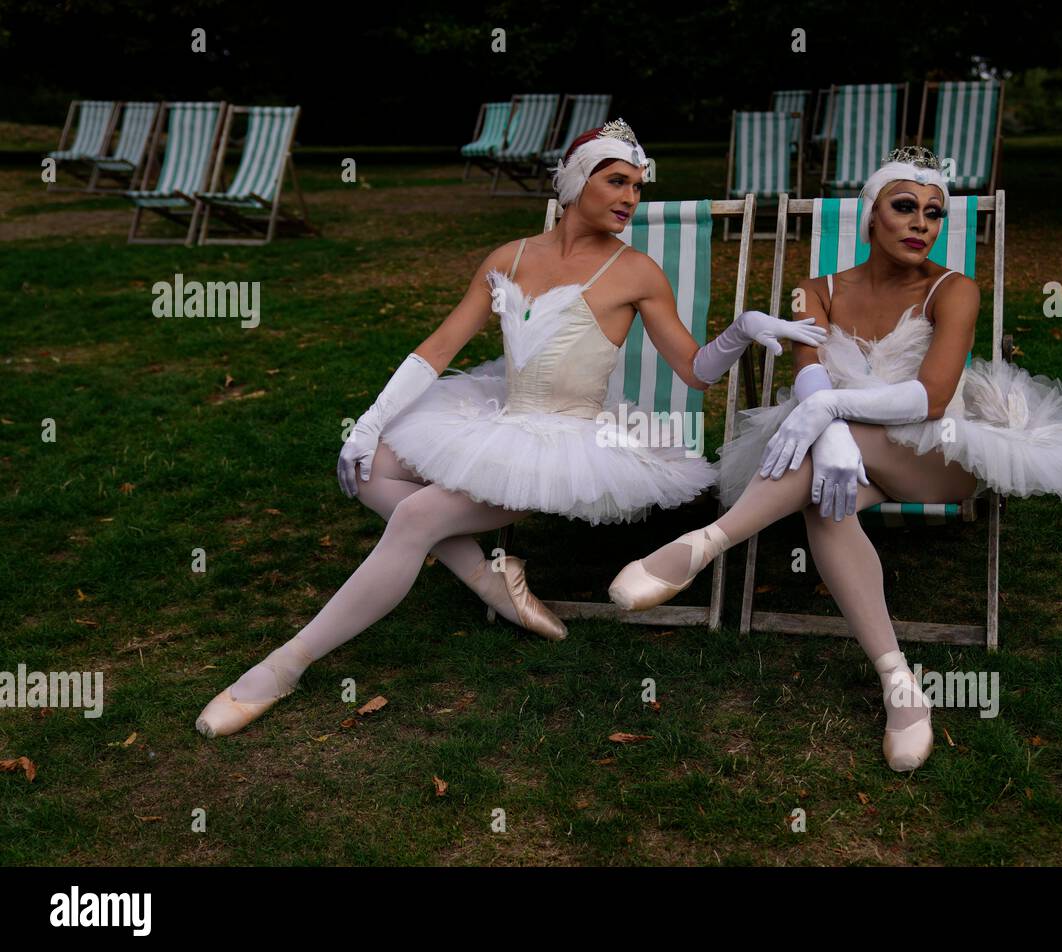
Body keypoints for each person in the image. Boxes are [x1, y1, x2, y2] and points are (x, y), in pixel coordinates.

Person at [195, 118, 827, 738]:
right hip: (500, 414)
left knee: (416, 517)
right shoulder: (510, 257)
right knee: (370, 466)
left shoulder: (635, 271)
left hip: (565, 440)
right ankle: (485, 573)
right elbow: (439, 349)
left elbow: (695, 372)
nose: (631, 197)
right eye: (616, 182)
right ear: (576, 184)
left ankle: (284, 666)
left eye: (638, 186)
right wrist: (370, 422)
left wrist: (741, 329)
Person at [608, 146, 1062, 772]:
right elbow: (808, 377)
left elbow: (930, 399)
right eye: (904, 207)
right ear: (870, 215)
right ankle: (900, 683)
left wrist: (831, 417)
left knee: (826, 450)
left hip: (942, 451)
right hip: (849, 457)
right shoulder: (812, 291)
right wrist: (830, 430)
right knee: (828, 496)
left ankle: (707, 541)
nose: (920, 224)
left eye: (934, 214)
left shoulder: (955, 290)